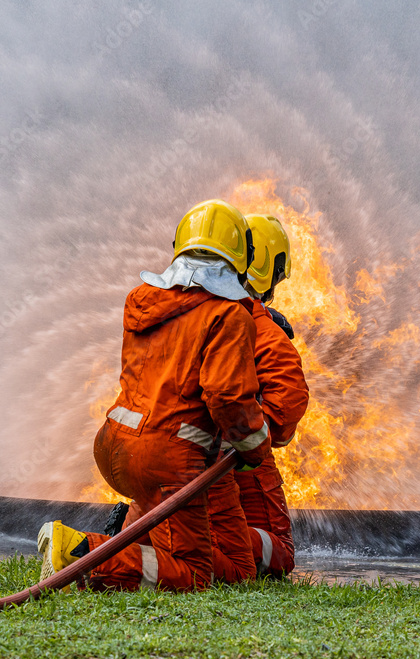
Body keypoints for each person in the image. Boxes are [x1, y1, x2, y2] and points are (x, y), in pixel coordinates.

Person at [37, 199, 271, 591]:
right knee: (194, 573)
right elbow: (226, 397)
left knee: (197, 558)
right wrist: (254, 449)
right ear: (240, 259)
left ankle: (102, 552)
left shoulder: (141, 301)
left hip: (114, 445)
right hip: (167, 463)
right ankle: (77, 551)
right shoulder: (229, 316)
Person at [211, 213, 309, 581]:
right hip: (234, 460)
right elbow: (281, 422)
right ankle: (179, 537)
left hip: (167, 454)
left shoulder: (184, 309)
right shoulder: (261, 328)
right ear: (267, 265)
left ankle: (138, 526)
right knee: (278, 552)